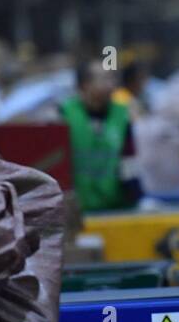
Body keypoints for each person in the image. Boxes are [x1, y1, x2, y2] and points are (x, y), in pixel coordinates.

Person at [60, 61, 141, 212]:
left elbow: (128, 164)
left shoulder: (122, 115)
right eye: (104, 79)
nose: (112, 85)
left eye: (113, 79)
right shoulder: (64, 114)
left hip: (115, 209)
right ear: (85, 84)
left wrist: (138, 201)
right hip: (77, 211)